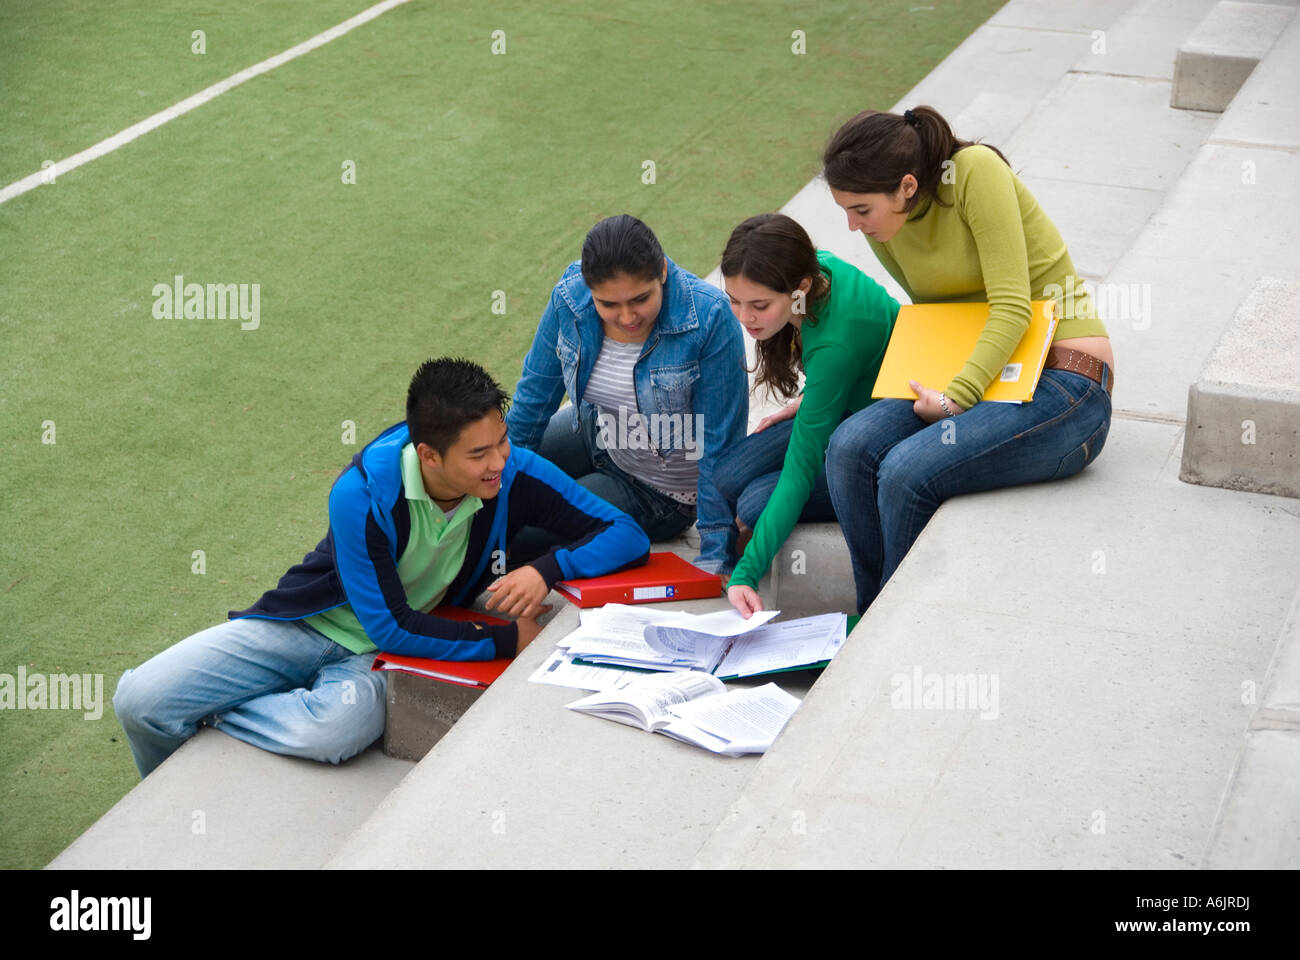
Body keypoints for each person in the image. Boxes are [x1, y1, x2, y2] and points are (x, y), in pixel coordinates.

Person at [114, 358, 649, 777]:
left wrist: (548, 569)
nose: (499, 462)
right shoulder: (360, 494)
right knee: (139, 701)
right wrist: (504, 639)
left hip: (377, 658)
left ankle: (215, 719)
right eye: (479, 453)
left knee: (334, 734)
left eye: (502, 441)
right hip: (308, 625)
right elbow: (388, 622)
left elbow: (626, 534)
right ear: (429, 456)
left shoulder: (510, 472)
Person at [820, 105, 1115, 614]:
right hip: (985, 376)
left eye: (860, 209)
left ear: (907, 186)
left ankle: (893, 629)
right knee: (848, 448)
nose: (852, 226)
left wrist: (957, 400)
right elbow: (936, 321)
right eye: (845, 210)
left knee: (905, 472)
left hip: (1065, 386)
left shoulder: (976, 170)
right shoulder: (887, 228)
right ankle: (872, 616)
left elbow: (1012, 308)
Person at [506, 215, 747, 567]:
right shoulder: (570, 297)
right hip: (594, 431)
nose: (628, 317)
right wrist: (496, 502)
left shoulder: (709, 317)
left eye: (640, 299)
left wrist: (715, 555)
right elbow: (531, 404)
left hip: (657, 491)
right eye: (608, 305)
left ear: (662, 271)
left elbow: (719, 446)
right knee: (482, 480)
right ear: (590, 290)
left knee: (524, 535)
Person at [700, 214, 898, 615]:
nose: (744, 317)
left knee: (756, 502)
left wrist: (746, 573)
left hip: (878, 435)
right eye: (734, 300)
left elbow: (799, 472)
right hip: (842, 398)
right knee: (729, 473)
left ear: (799, 288)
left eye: (759, 305)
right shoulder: (813, 264)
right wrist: (812, 397)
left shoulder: (833, 349)